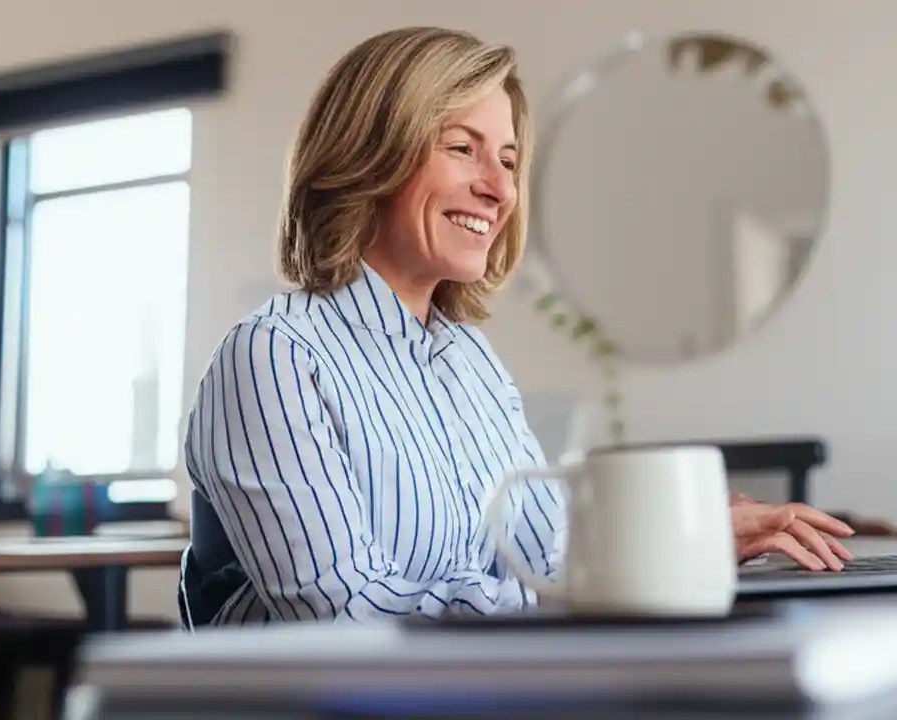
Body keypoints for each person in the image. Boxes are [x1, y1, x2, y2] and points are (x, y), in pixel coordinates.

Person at [177, 27, 854, 627]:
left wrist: (685, 542)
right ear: (368, 155)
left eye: (506, 160)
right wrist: (576, 599)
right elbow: (346, 612)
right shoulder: (276, 358)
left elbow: (544, 554)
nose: (499, 190)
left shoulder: (469, 359)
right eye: (462, 148)